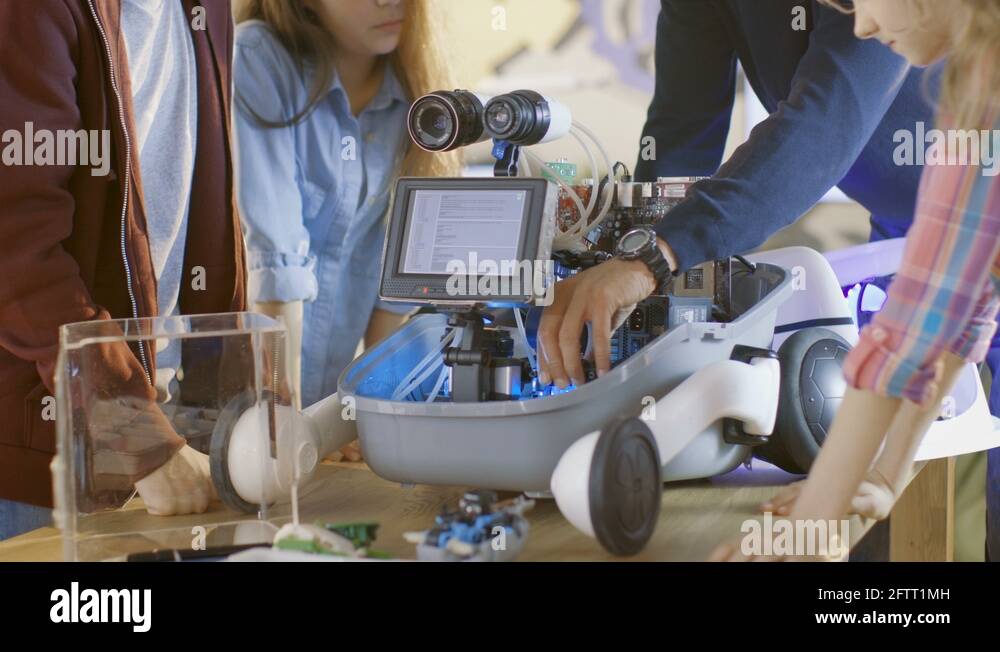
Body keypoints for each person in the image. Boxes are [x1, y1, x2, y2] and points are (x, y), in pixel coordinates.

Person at [712, 0, 1000, 561]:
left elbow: (920, 314)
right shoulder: (976, 79)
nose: (861, 26)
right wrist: (885, 477)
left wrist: (816, 518)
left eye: (860, 0)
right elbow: (958, 300)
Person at [538, 0, 937, 389]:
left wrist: (653, 258)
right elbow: (683, 131)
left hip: (978, 204)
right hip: (906, 224)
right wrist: (630, 265)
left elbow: (824, 126)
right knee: (881, 411)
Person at [0, 0, 246, 538]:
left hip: (161, 427)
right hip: (41, 458)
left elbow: (210, 221)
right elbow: (15, 245)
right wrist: (138, 438)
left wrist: (242, 412)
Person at [233, 0, 460, 460]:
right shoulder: (258, 58)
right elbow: (277, 263)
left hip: (326, 416)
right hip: (245, 412)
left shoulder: (413, 91)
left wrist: (364, 414)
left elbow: (394, 289)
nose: (388, 2)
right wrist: (287, 421)